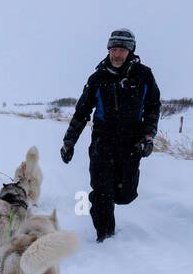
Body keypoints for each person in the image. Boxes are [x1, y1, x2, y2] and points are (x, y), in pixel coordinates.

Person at [60, 28, 161, 242]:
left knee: (125, 195)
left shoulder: (144, 75)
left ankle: (103, 201)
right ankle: (104, 236)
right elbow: (81, 113)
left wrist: (148, 137)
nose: (117, 54)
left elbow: (153, 107)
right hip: (102, 141)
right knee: (102, 189)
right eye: (114, 49)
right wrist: (69, 142)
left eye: (122, 50)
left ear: (130, 50)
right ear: (108, 49)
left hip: (132, 142)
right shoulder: (97, 77)